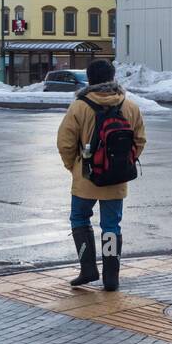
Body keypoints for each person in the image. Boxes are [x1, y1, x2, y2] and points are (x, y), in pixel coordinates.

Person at [56, 59, 146, 291]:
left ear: (89, 78)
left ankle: (87, 269)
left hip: (86, 178)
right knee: (111, 226)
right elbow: (140, 141)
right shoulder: (130, 106)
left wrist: (74, 167)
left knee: (80, 219)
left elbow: (65, 143)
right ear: (113, 77)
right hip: (116, 179)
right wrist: (123, 163)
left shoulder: (79, 106)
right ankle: (111, 276)